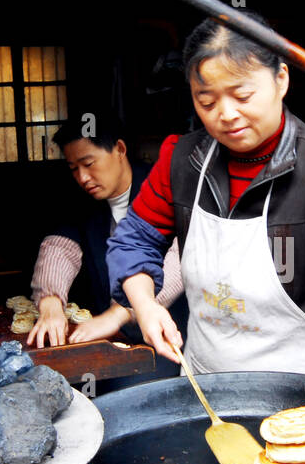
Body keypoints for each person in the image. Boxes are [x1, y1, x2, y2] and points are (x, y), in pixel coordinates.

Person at [107, 13, 305, 464]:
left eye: (242, 95)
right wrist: (145, 305)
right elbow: (133, 242)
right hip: (208, 395)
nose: (225, 114)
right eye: (206, 101)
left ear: (281, 78)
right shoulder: (179, 161)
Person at [27, 114, 187, 367]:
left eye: (89, 163)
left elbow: (181, 256)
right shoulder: (82, 201)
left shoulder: (159, 188)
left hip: (170, 339)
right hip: (113, 339)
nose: (82, 177)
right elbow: (60, 246)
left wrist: (120, 313)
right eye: (74, 169)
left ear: (120, 150)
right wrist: (50, 303)